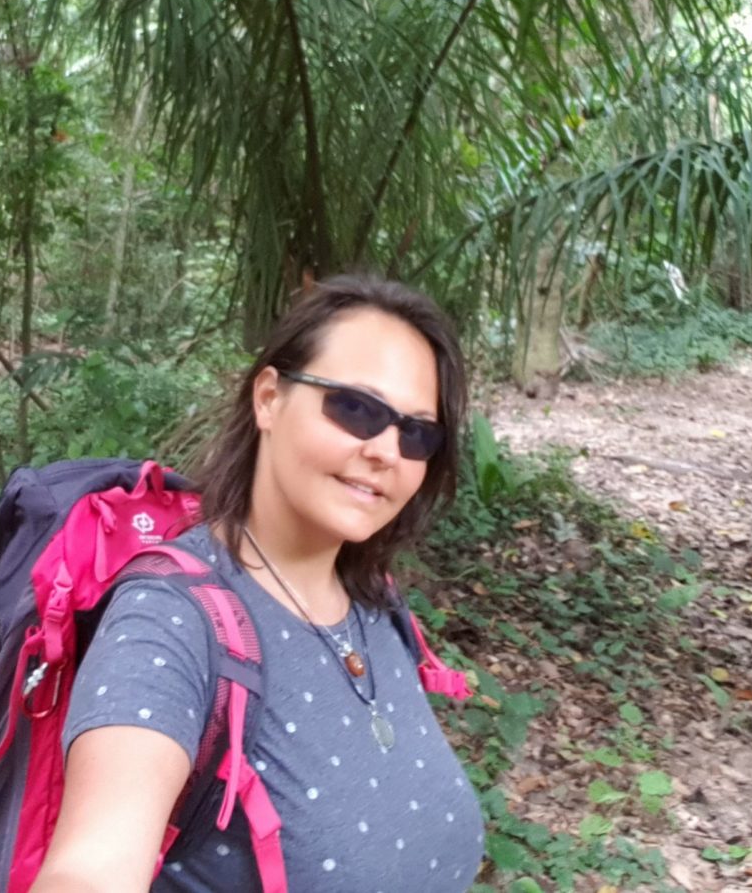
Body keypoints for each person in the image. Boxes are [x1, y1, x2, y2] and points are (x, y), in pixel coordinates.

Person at [30, 274, 486, 892]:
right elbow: (92, 866)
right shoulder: (169, 621)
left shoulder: (374, 601)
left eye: (416, 432)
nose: (386, 451)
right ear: (269, 397)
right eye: (356, 408)